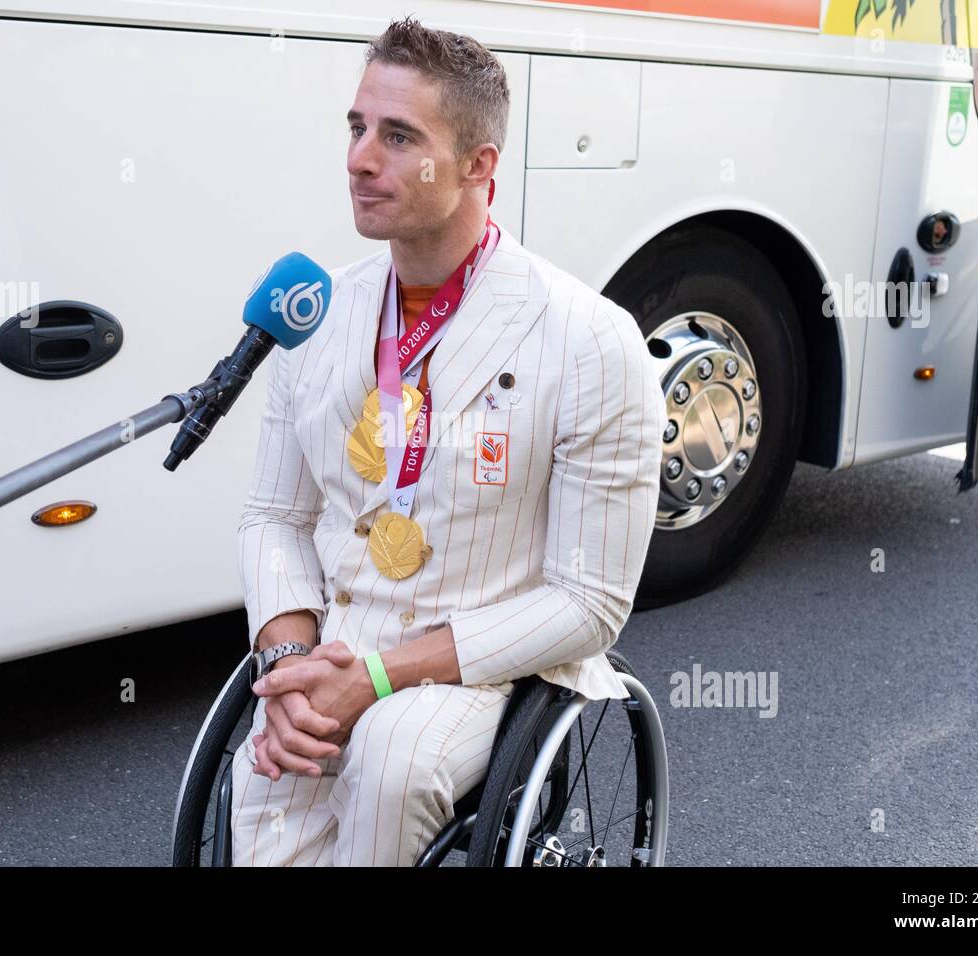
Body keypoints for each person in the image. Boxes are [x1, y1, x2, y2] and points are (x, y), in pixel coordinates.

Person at [229, 14, 666, 866]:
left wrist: (382, 677)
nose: (359, 158)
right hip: (332, 647)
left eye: (398, 136)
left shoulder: (588, 341)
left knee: (394, 760)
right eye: (357, 128)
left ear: (478, 165)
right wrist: (286, 664)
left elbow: (591, 605)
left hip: (473, 666)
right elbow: (271, 517)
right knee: (266, 770)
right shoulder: (316, 320)